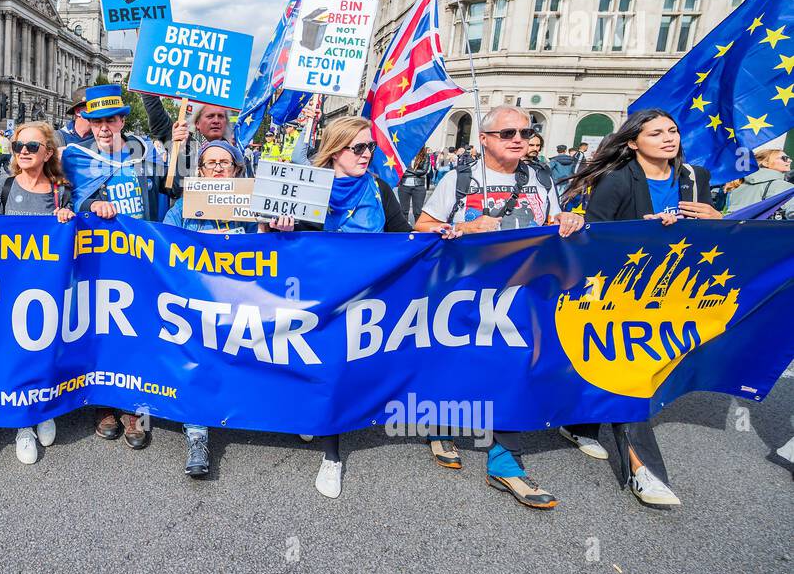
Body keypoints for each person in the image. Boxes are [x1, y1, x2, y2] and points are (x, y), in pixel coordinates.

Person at [415, 105, 585, 509]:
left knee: (519, 365)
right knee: (457, 360)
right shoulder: (459, 179)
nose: (518, 139)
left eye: (525, 132)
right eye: (508, 132)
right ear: (485, 139)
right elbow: (422, 227)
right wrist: (465, 228)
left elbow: (552, 219)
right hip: (463, 292)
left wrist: (567, 217)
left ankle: (505, 461)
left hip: (524, 292)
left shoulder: (541, 177)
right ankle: (440, 426)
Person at [557, 109, 720, 507]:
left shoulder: (694, 178)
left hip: (672, 293)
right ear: (633, 142)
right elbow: (596, 239)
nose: (669, 138)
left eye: (673, 131)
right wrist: (639, 233)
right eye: (656, 133)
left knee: (630, 367)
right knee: (631, 371)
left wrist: (718, 218)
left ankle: (577, 423)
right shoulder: (616, 181)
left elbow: (711, 236)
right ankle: (643, 470)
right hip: (620, 292)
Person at [303, 116, 459, 498]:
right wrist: (282, 227)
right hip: (318, 296)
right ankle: (322, 434)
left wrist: (433, 234)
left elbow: (400, 234)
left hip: (365, 299)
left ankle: (331, 451)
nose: (367, 154)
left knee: (342, 369)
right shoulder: (307, 187)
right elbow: (289, 244)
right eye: (358, 148)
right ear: (335, 150)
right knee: (322, 367)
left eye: (369, 147)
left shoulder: (378, 188)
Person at [162, 138, 293, 476]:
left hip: (245, 301)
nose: (218, 168)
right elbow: (161, 249)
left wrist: (272, 228)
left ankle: (292, 413)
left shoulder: (254, 206)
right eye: (210, 163)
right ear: (201, 171)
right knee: (195, 359)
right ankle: (197, 434)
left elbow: (272, 253)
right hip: (198, 304)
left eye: (225, 163)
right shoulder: (183, 207)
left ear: (237, 170)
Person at [62, 83, 172, 448]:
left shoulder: (145, 154)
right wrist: (90, 204)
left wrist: (179, 146)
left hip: (142, 260)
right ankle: (104, 406)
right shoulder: (75, 158)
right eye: (96, 121)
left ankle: (137, 409)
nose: (103, 128)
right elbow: (66, 202)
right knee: (103, 332)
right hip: (99, 262)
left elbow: (170, 189)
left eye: (110, 119)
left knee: (140, 331)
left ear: (123, 120)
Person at [0, 121, 76, 464]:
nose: (23, 151)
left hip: (48, 286)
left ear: (48, 153)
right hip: (10, 286)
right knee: (17, 353)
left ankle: (44, 409)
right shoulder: (4, 185)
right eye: (18, 146)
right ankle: (23, 424)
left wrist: (69, 216)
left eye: (32, 146)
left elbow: (73, 234)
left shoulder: (60, 191)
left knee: (46, 350)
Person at [725, 148, 794, 214]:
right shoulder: (783, 186)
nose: (790, 160)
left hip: (732, 225)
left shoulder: (737, 185)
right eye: (784, 158)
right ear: (765, 163)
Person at [398, 146, 433, 224]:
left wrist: (408, 171)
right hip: (404, 186)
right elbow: (400, 169)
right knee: (403, 211)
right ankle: (404, 230)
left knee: (417, 212)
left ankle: (418, 228)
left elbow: (424, 171)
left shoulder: (425, 156)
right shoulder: (404, 154)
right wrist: (414, 172)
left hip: (418, 187)